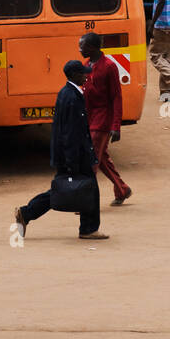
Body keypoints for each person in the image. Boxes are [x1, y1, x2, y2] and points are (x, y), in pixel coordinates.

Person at [14, 61, 108, 242]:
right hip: (74, 155)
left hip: (70, 154)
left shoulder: (67, 93)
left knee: (64, 189)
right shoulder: (72, 97)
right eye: (82, 73)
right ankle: (88, 229)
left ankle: (27, 213)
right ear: (74, 75)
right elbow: (71, 133)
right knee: (87, 189)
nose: (86, 76)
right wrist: (72, 162)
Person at [80, 31, 131, 206]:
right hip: (90, 118)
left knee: (91, 161)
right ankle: (122, 189)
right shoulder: (86, 64)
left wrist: (116, 126)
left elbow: (116, 96)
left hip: (102, 120)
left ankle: (87, 202)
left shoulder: (109, 66)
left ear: (92, 47)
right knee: (100, 159)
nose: (79, 49)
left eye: (82, 46)